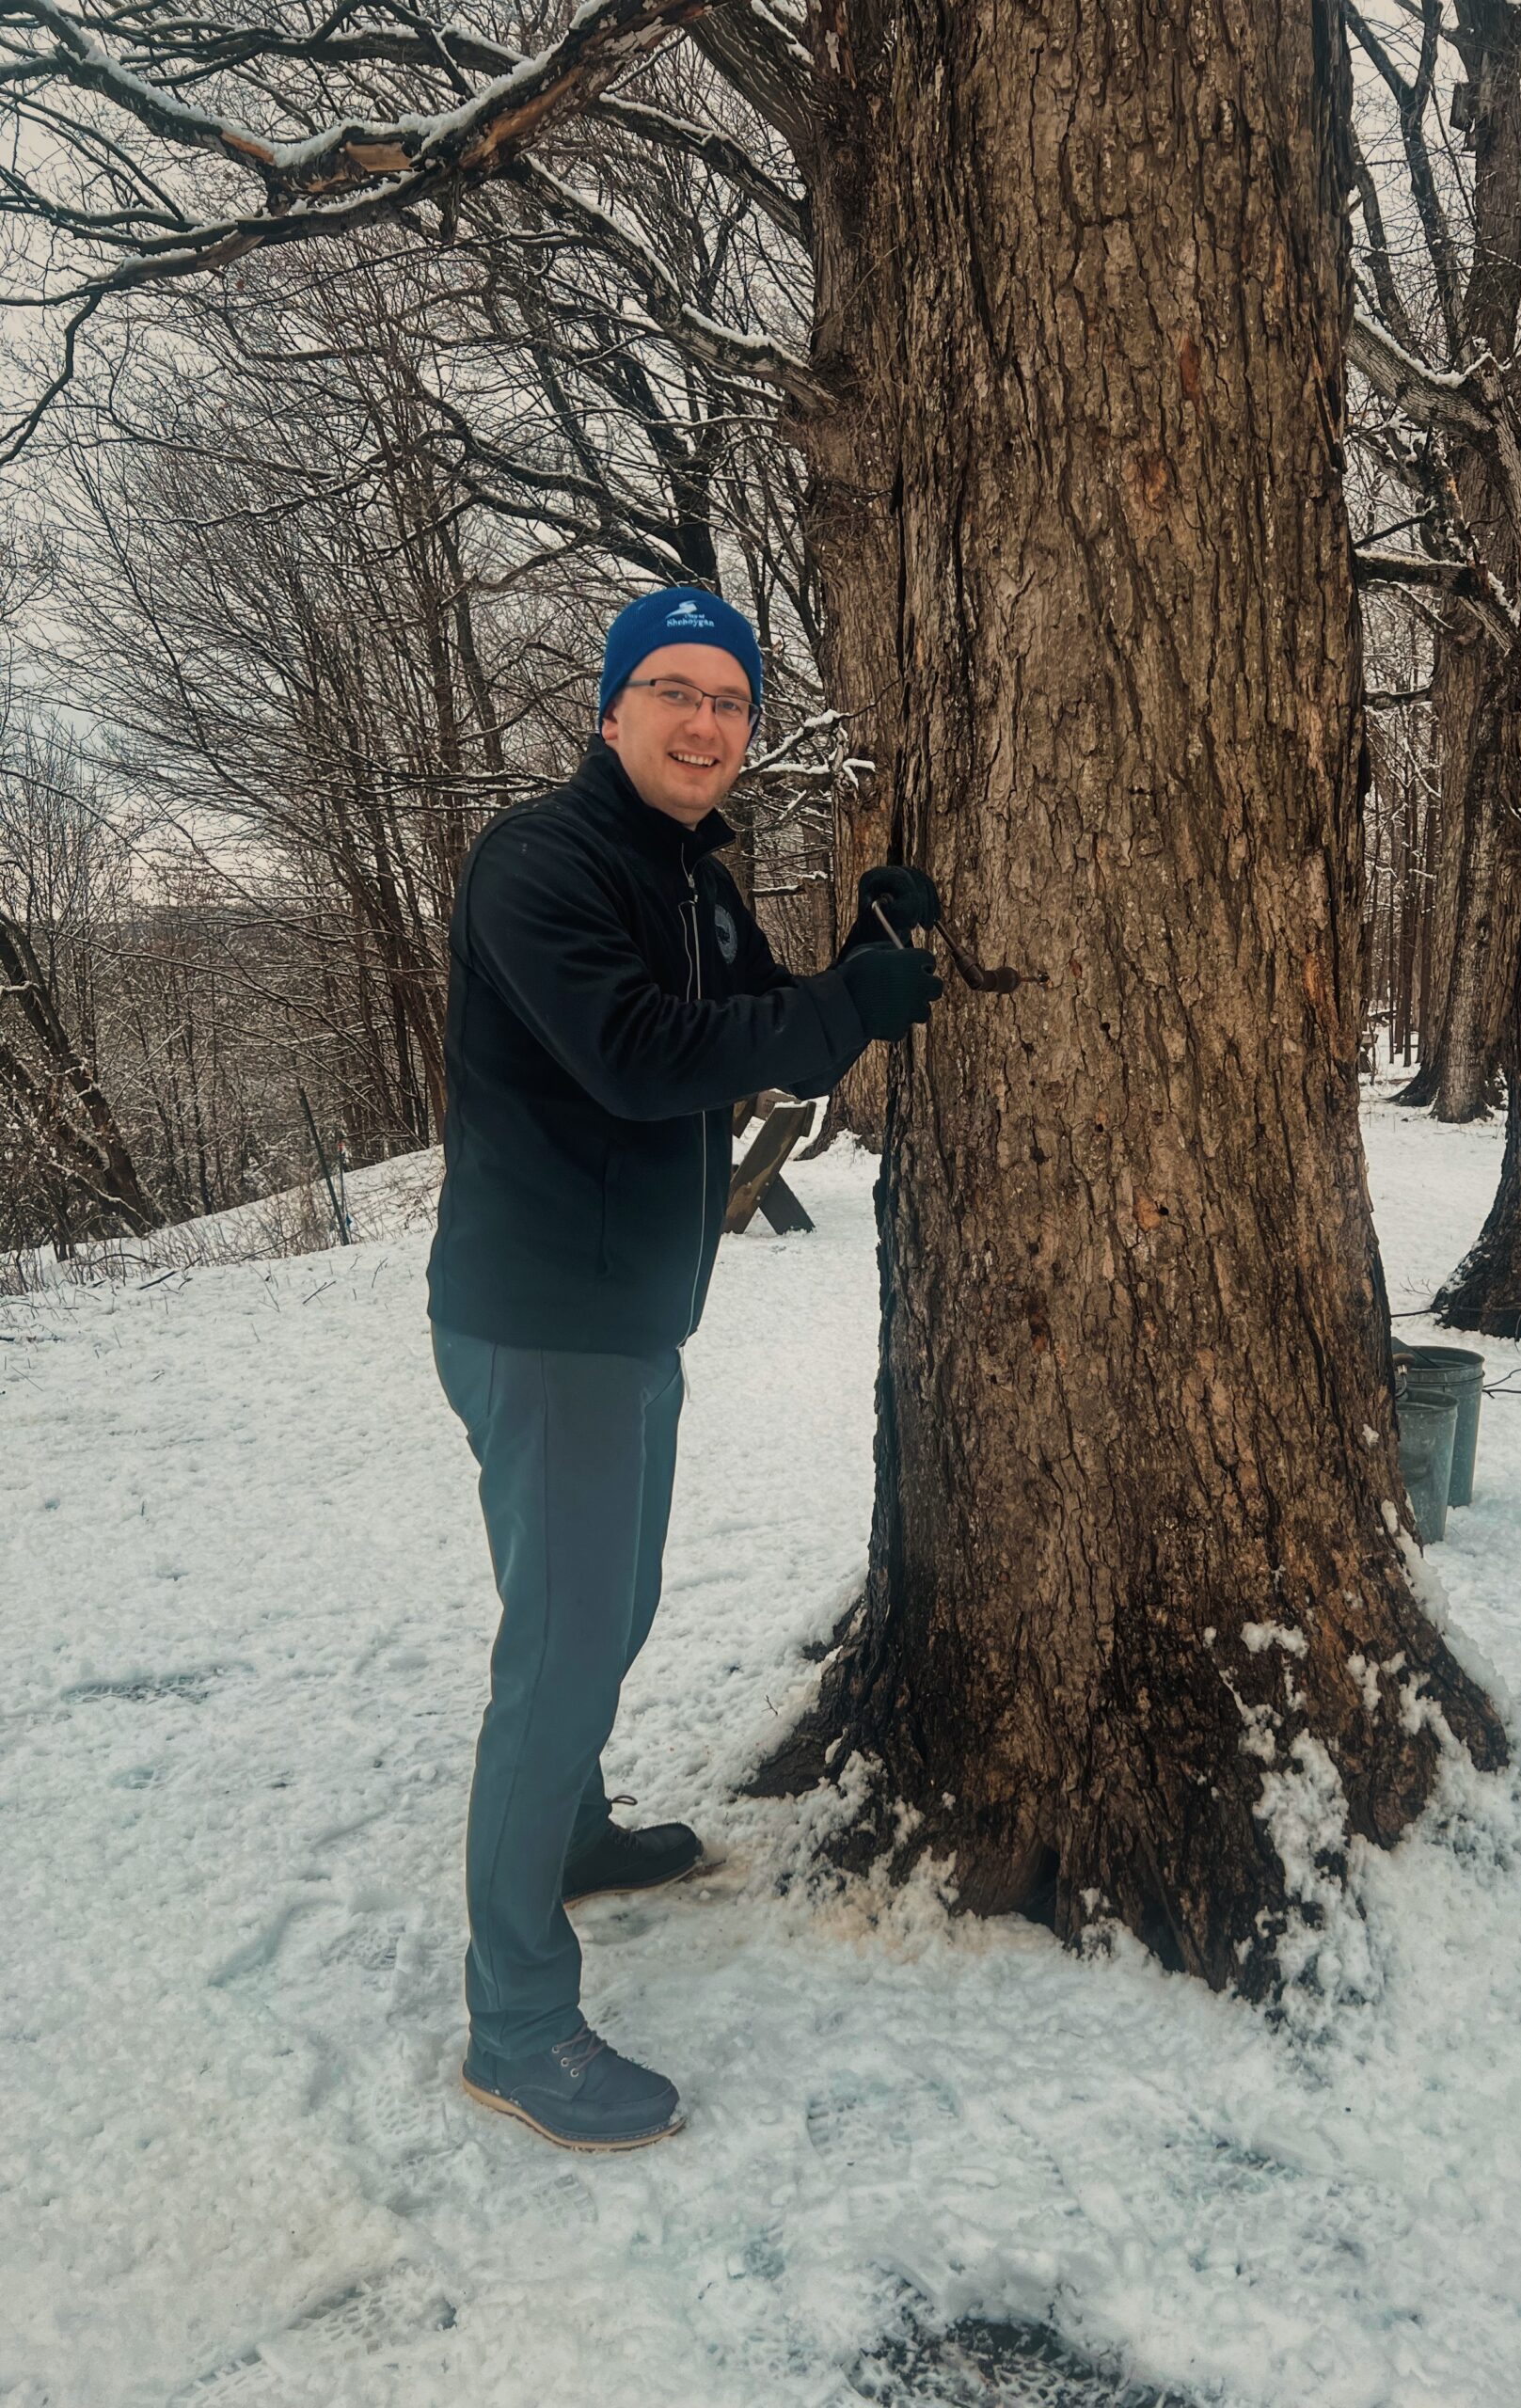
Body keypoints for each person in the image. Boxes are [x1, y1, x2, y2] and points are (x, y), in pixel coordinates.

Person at [426, 587, 941, 2152]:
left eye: (730, 700)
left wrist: (859, 962)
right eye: (674, 690)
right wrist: (843, 1005)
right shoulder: (541, 863)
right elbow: (640, 1056)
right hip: (544, 1321)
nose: (706, 722)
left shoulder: (690, 876)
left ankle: (572, 1834)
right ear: (612, 710)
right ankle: (517, 2023)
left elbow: (763, 1028)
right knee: (565, 1647)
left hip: (627, 1317)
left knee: (609, 1611)